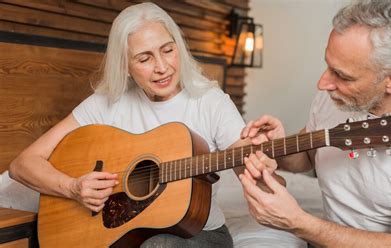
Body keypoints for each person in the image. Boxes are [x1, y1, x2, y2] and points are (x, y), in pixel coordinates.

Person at [9, 2, 247, 247]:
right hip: (123, 235)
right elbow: (22, 165)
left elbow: (254, 170)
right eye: (144, 58)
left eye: (167, 50)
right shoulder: (105, 104)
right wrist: (72, 188)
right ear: (126, 66)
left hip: (196, 234)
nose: (162, 67)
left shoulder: (211, 102)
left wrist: (265, 169)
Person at [239, 0, 391, 247]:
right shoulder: (333, 98)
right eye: (328, 65)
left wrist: (299, 222)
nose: (323, 83)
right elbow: (306, 158)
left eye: (342, 75)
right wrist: (279, 147)